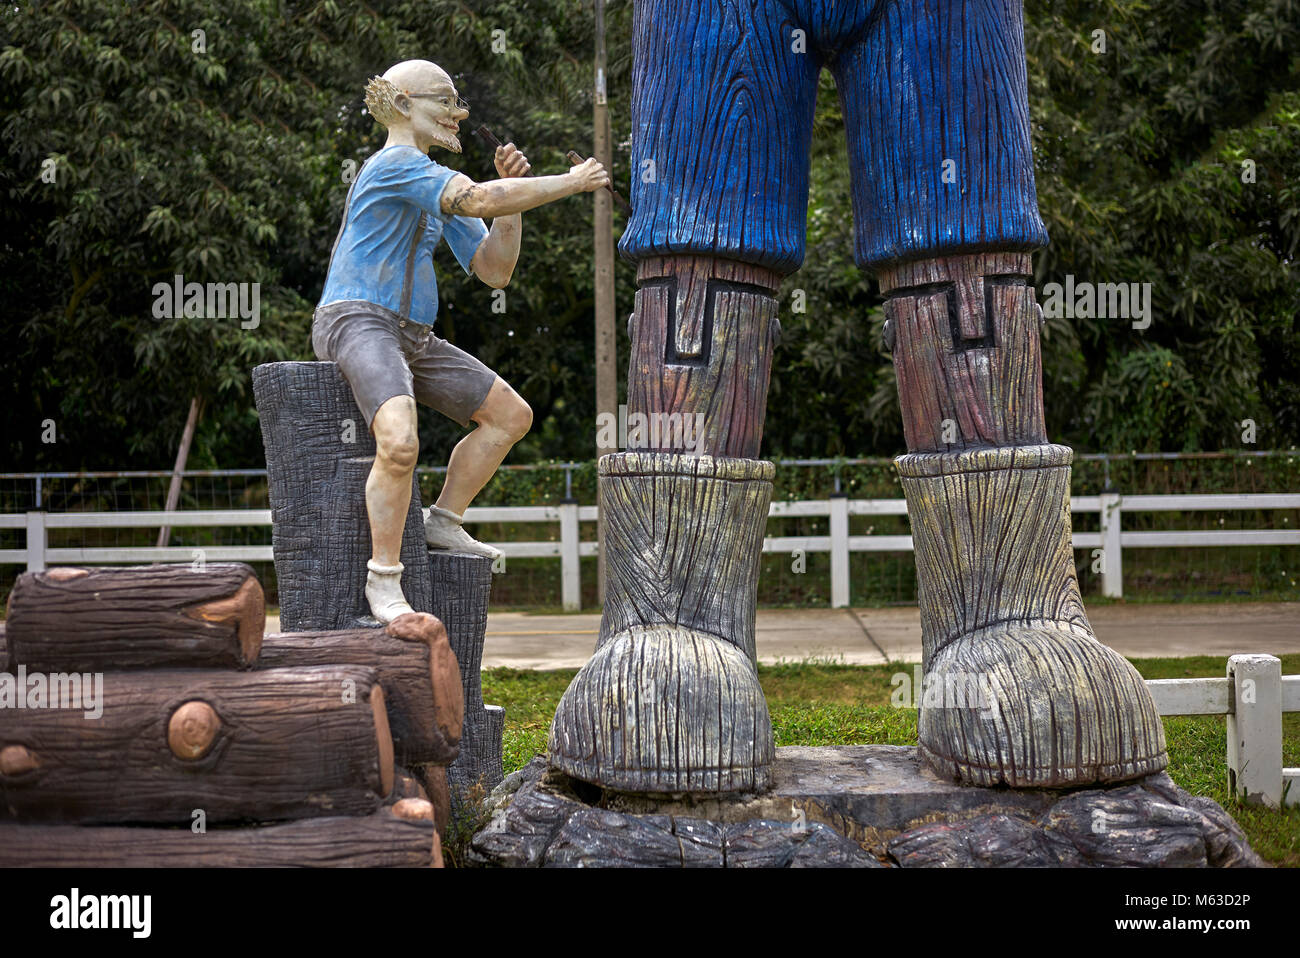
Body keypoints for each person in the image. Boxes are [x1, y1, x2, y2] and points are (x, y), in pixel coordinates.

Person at [314, 59, 609, 623]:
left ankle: (443, 523)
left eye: (459, 102)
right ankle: (384, 580)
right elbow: (477, 199)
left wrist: (515, 206)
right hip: (358, 320)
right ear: (402, 104)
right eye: (445, 102)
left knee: (511, 417)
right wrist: (571, 183)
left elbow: (494, 269)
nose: (459, 113)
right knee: (400, 443)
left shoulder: (430, 182)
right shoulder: (396, 164)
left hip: (412, 335)